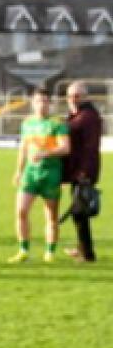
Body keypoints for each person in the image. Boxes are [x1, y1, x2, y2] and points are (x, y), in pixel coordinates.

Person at [8, 87, 70, 263]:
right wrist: (19, 171)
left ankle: (50, 252)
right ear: (32, 104)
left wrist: (45, 153)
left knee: (51, 216)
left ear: (49, 103)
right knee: (21, 211)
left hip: (51, 174)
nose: (41, 104)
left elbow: (65, 148)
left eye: (44, 101)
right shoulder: (27, 123)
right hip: (30, 174)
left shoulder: (57, 124)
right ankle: (23, 250)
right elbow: (23, 148)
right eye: (38, 101)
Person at [62, 81, 103, 263]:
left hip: (83, 172)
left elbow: (89, 147)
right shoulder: (78, 115)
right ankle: (83, 249)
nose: (73, 99)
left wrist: (84, 172)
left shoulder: (88, 117)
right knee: (80, 212)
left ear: (85, 96)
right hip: (77, 171)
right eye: (70, 96)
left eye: (77, 95)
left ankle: (87, 254)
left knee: (79, 212)